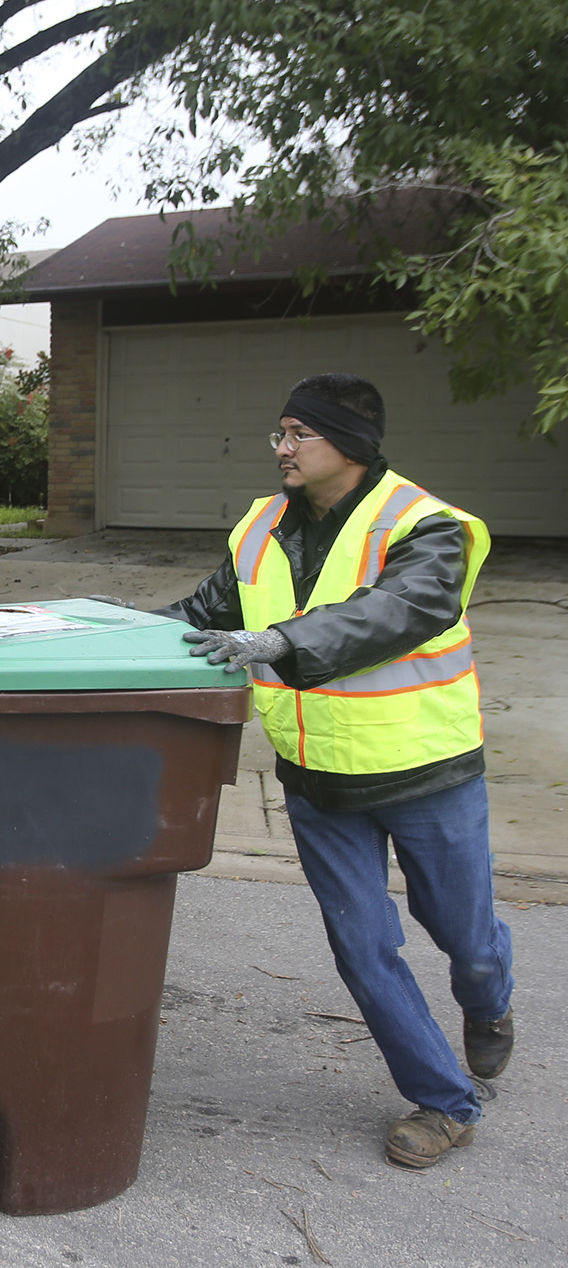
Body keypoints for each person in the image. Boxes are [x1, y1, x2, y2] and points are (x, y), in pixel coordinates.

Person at [154, 372, 514, 1169]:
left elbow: (400, 610)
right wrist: (104, 634)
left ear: (346, 444)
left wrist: (279, 641)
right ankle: (446, 1102)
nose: (280, 448)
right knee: (362, 946)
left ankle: (488, 1002)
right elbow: (205, 613)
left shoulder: (426, 527)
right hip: (317, 778)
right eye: (278, 433)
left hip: (426, 770)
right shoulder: (260, 528)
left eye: (295, 433)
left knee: (466, 938)